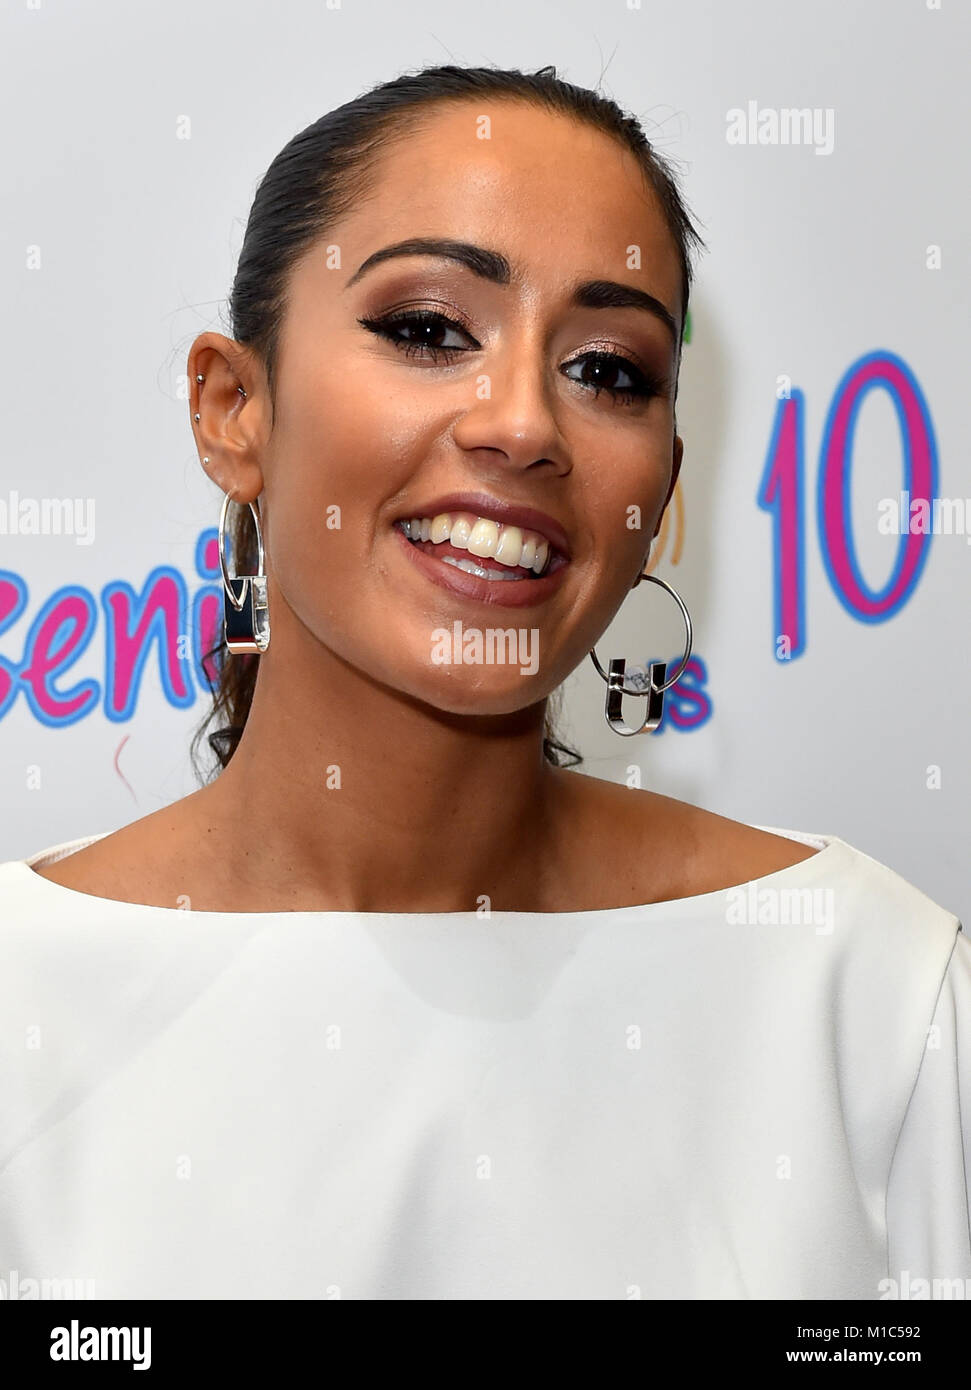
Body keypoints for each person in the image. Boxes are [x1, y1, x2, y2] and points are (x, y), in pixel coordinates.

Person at [0, 64, 967, 1300]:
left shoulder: (864, 992)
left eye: (609, 368)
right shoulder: (22, 998)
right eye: (427, 330)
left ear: (660, 486)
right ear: (234, 409)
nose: (523, 425)